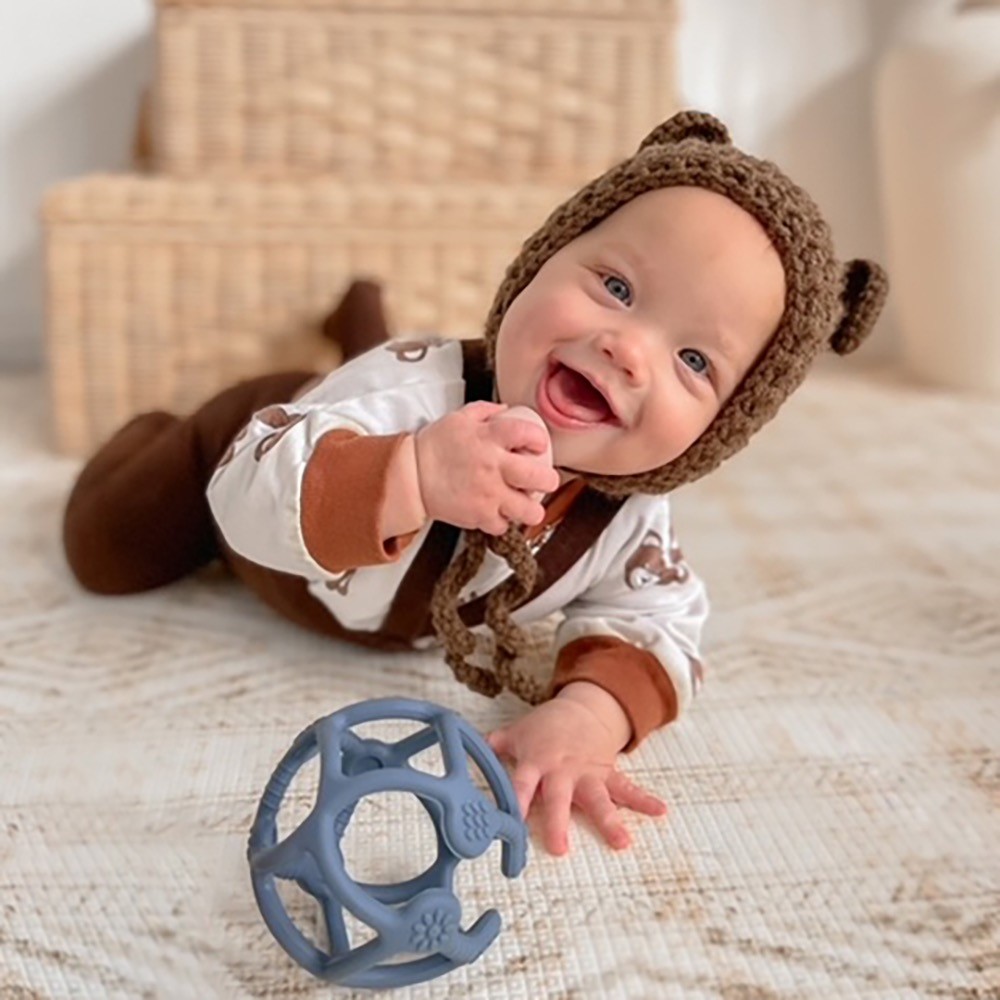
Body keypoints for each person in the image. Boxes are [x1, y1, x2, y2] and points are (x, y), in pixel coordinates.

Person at [62, 111, 888, 856]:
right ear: (540, 260)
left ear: (721, 430)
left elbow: (660, 621)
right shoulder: (411, 392)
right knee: (108, 552)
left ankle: (358, 309)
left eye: (694, 360)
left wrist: (589, 714)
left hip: (369, 574)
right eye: (616, 287)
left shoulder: (628, 510)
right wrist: (410, 471)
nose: (627, 349)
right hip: (247, 452)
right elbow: (250, 490)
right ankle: (170, 422)